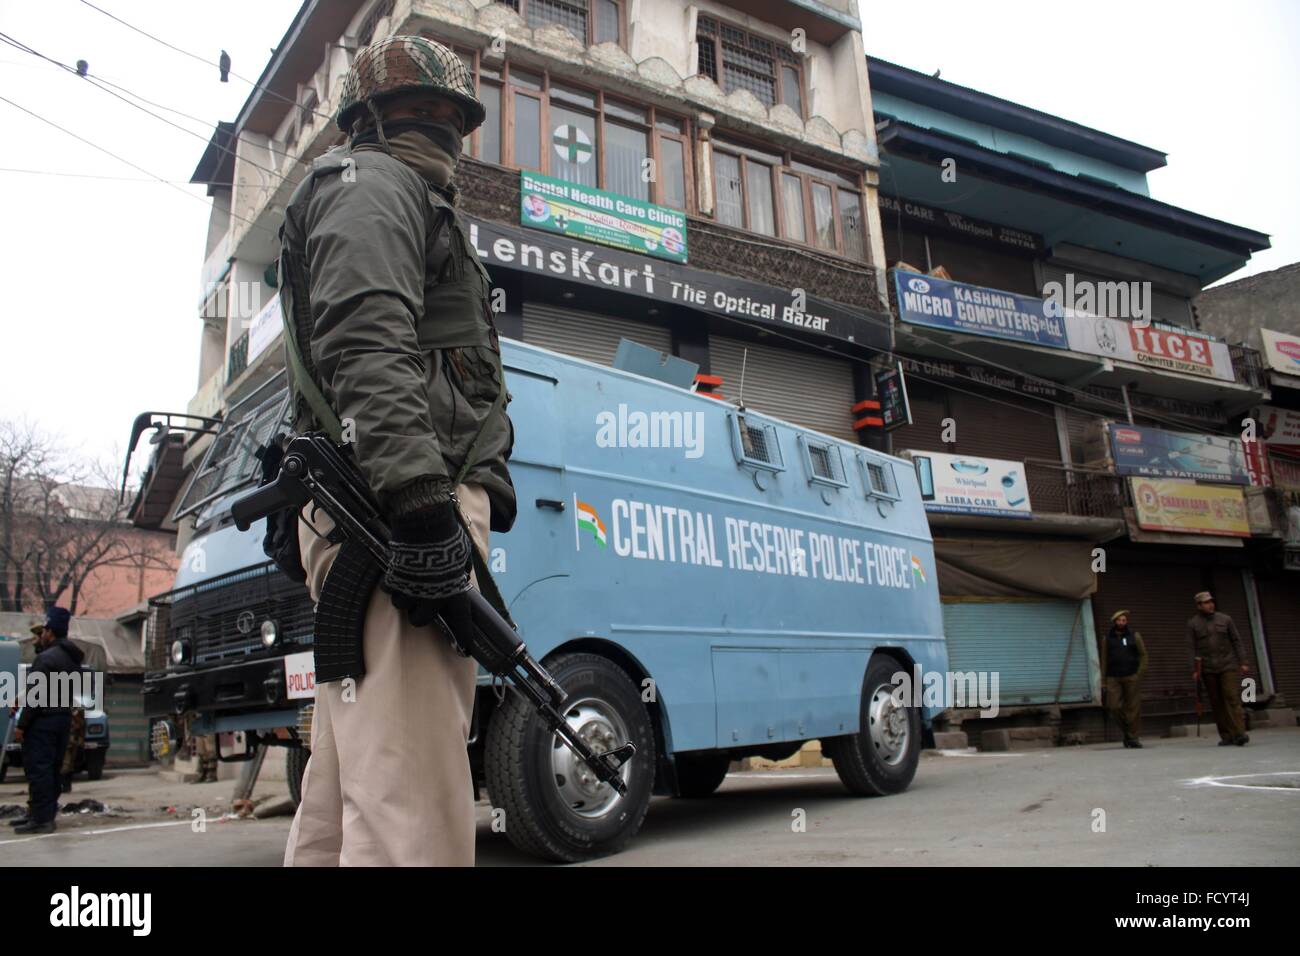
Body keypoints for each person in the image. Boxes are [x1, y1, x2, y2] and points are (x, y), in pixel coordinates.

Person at [278, 35, 515, 867]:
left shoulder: (387, 189)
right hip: (393, 504)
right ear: (372, 120)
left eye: (449, 117)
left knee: (354, 792)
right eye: (424, 113)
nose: (442, 131)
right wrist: (419, 501)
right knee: (412, 805)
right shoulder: (373, 184)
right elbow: (368, 337)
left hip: (379, 500)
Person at [14, 607, 84, 834]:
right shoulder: (72, 658)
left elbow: (36, 696)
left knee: (39, 770)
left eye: (43, 630)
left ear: (50, 631)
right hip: (62, 719)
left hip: (42, 722)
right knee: (52, 770)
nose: (41, 635)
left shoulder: (46, 659)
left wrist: (22, 725)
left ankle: (42, 820)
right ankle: (41, 814)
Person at [1187, 591, 1250, 746]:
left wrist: (1243, 661)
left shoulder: (1225, 619)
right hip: (1207, 668)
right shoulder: (1193, 624)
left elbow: (1236, 640)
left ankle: (1240, 733)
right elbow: (1191, 648)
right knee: (1216, 703)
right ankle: (1226, 735)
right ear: (1199, 606)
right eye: (1206, 602)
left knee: (1231, 698)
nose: (1210, 604)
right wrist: (1194, 670)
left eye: (1211, 601)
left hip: (1227, 664)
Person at [1100, 609, 1147, 748]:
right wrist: (1103, 680)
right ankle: (1128, 731)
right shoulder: (1107, 638)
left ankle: (1133, 738)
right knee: (1113, 706)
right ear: (1114, 622)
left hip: (1131, 676)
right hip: (1113, 677)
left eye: (1124, 620)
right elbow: (1104, 660)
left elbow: (1143, 655)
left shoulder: (1134, 636)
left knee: (1133, 708)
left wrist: (1139, 673)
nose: (1122, 622)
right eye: (1119, 620)